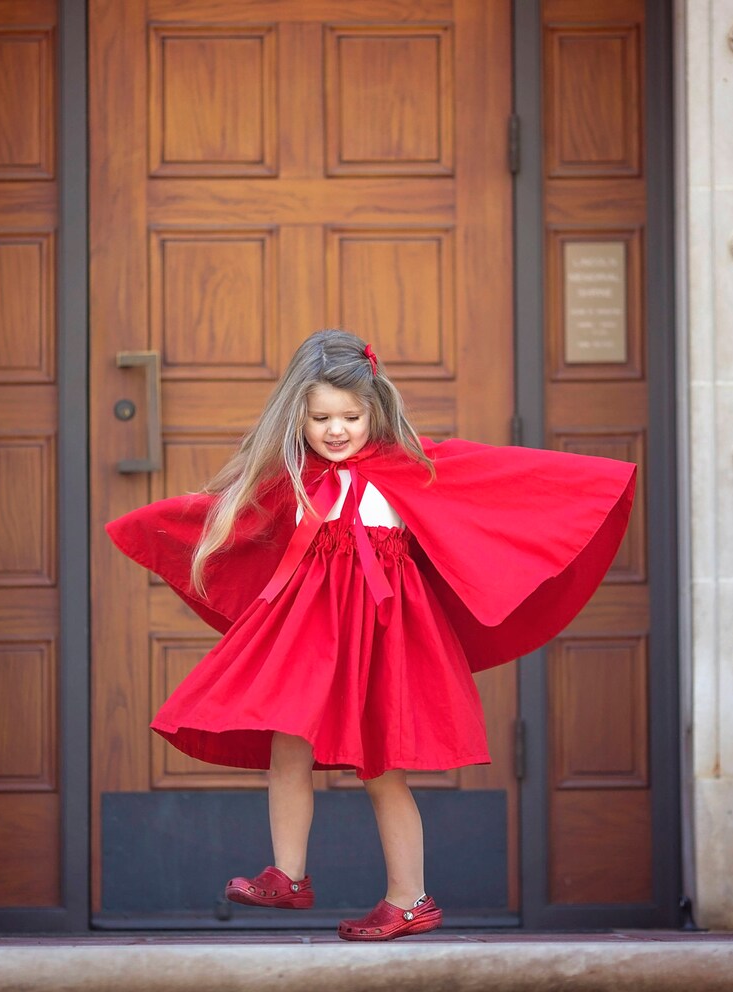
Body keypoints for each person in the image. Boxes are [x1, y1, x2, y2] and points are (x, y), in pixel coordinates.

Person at [106, 329, 636, 941]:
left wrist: (591, 484)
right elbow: (227, 519)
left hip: (384, 633)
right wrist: (150, 525)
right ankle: (287, 875)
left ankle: (409, 901)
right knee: (286, 741)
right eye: (320, 418)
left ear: (375, 411)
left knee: (383, 767)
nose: (336, 430)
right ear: (297, 417)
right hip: (309, 632)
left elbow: (499, 487)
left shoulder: (411, 470)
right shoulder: (292, 478)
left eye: (351, 417)